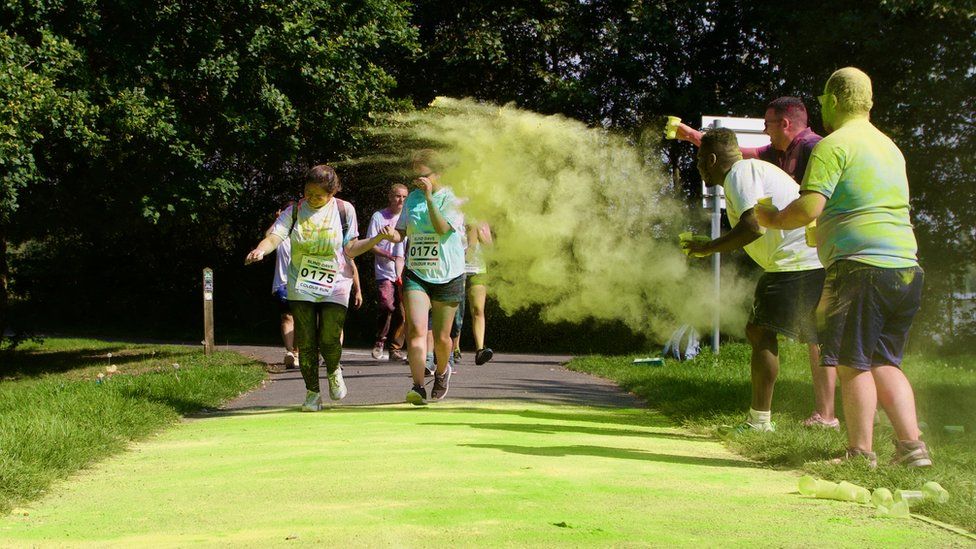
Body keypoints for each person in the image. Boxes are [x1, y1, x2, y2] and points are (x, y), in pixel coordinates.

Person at [755, 67, 931, 468]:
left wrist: (771, 219)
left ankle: (859, 454)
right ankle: (912, 449)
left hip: (860, 267)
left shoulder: (834, 145)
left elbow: (808, 208)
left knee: (854, 362)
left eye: (822, 100)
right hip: (905, 265)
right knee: (885, 360)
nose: (821, 106)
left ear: (834, 100)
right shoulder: (889, 147)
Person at [673, 97, 837, 429]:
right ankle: (829, 417)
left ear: (713, 159)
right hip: (808, 260)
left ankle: (760, 421)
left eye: (700, 160)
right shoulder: (749, 170)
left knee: (759, 331)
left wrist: (709, 249)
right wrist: (712, 245)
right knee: (818, 340)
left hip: (795, 263)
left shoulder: (740, 173)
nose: (699, 168)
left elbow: (752, 227)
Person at [246, 165, 396, 412]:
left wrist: (377, 239)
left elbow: (351, 248)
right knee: (305, 340)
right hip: (301, 282)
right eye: (308, 193)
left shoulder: (344, 210)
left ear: (331, 193)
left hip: (335, 281)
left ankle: (334, 368)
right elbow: (275, 236)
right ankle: (312, 393)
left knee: (328, 337)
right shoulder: (294, 210)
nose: (312, 199)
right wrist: (261, 249)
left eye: (318, 195)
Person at [389, 150, 466, 405]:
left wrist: (430, 196)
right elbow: (402, 232)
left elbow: (442, 229)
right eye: (416, 177)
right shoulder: (411, 199)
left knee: (443, 338)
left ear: (438, 173)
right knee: (417, 330)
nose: (419, 182)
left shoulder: (453, 198)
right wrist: (393, 235)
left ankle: (443, 372)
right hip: (417, 273)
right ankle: (418, 386)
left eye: (424, 176)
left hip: (448, 274)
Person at [367, 183, 408, 361]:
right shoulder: (379, 217)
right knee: (386, 305)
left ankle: (395, 348)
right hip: (384, 270)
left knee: (403, 311)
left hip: (405, 270)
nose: (401, 200)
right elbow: (370, 244)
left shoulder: (408, 217)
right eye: (398, 196)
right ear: (390, 197)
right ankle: (380, 341)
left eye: (405, 197)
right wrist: (387, 254)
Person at [269, 206, 298, 370]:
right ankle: (289, 352)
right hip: (282, 284)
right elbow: (267, 237)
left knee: (301, 321)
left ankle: (297, 353)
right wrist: (278, 220)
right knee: (287, 317)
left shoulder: (305, 236)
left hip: (303, 285)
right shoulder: (280, 237)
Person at [464, 221, 494, 365]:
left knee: (478, 309)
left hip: (477, 269)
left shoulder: (482, 221)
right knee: (454, 312)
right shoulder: (452, 215)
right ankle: (453, 349)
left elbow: (490, 247)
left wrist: (479, 233)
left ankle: (480, 350)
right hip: (456, 269)